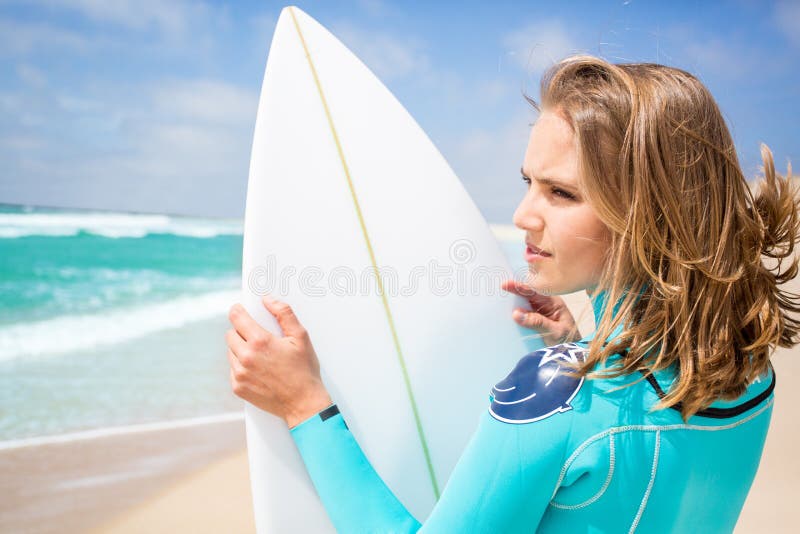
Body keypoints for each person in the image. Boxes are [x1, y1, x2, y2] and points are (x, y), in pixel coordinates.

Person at [225, 54, 799, 532]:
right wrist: (586, 341)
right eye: (529, 183)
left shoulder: (554, 396)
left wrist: (303, 405)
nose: (524, 215)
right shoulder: (747, 367)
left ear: (651, 214)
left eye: (562, 193)